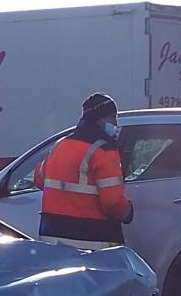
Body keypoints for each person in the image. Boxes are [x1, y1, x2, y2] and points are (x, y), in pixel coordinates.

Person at [33, 92, 134, 250]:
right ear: (101, 119)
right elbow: (112, 202)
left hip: (52, 238)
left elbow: (39, 179)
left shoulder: (60, 145)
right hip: (92, 241)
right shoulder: (104, 151)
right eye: (113, 117)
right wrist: (128, 212)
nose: (115, 123)